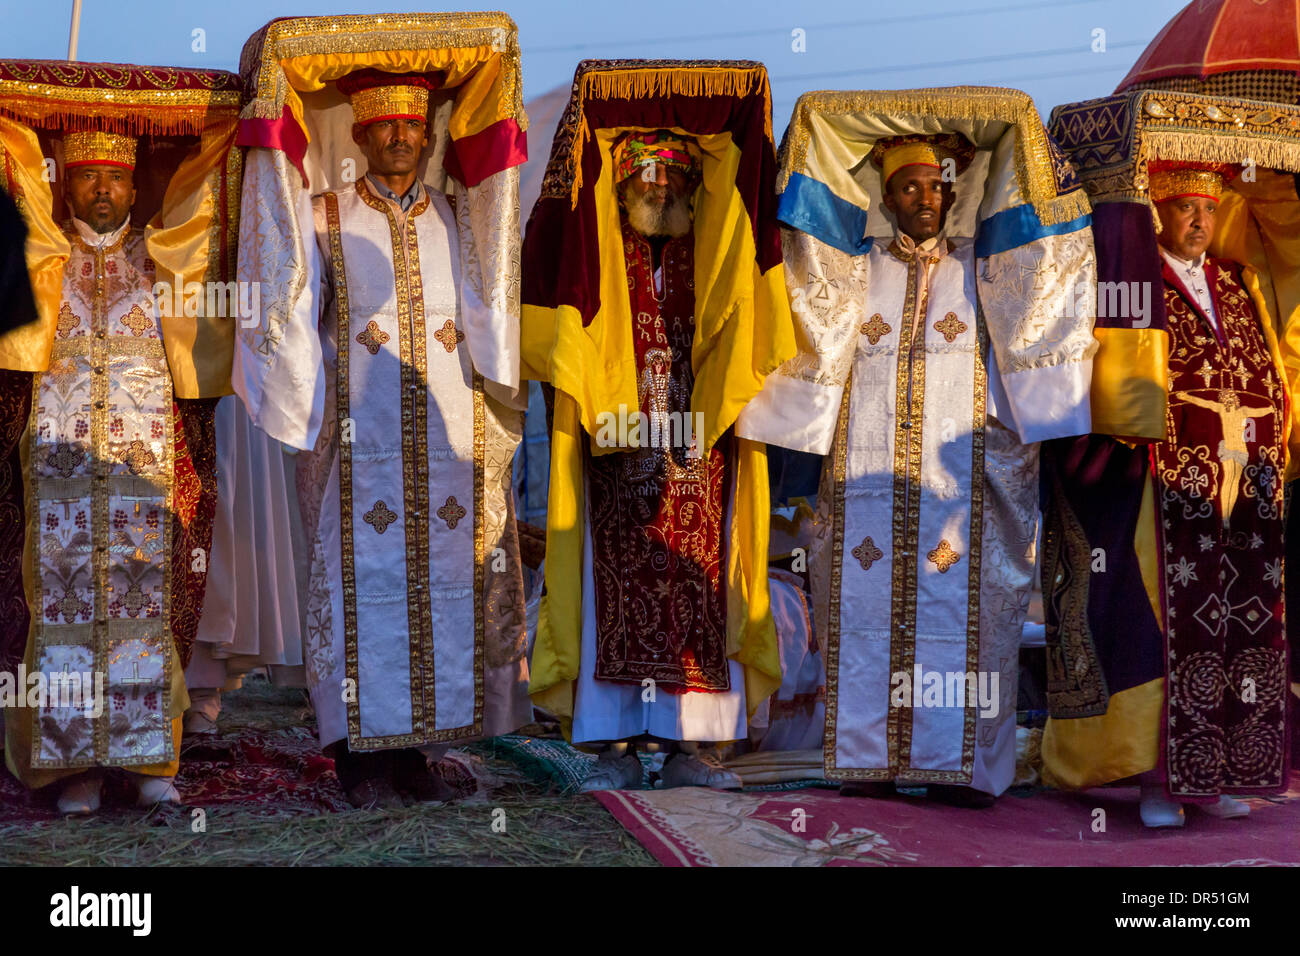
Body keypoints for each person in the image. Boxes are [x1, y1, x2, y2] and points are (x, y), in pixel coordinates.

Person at [739, 94, 1098, 807]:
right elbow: (811, 332)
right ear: (886, 196)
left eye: (937, 186)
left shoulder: (986, 274)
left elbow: (1027, 364)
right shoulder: (857, 273)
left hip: (961, 492)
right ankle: (872, 761)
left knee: (968, 623)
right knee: (863, 618)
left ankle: (960, 765)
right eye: (908, 187)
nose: (925, 199)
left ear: (955, 191)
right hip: (868, 490)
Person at [234, 52, 532, 808]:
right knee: (360, 587)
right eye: (384, 125)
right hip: (354, 445)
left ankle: (416, 752)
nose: (401, 136)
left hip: (447, 444)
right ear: (362, 135)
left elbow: (493, 321)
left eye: (413, 123)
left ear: (431, 132)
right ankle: (358, 758)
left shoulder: (465, 221)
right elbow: (291, 318)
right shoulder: (324, 214)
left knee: (443, 585)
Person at [522, 61, 795, 792]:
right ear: (620, 182)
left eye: (674, 177)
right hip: (611, 448)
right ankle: (610, 746)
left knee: (700, 581)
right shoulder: (598, 253)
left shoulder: (716, 250)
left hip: (700, 453)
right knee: (603, 580)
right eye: (646, 176)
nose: (661, 187)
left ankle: (690, 750)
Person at [1041, 162, 1292, 827]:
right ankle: (1158, 783)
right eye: (1184, 208)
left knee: (1245, 624)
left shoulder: (1239, 287)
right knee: (1170, 628)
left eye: (1208, 211)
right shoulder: (1135, 288)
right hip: (1166, 485)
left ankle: (1225, 771)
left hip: (1245, 487)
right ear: (1160, 214)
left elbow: (1266, 372)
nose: (1199, 222)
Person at [2, 130, 222, 812]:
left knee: (141, 612)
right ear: (63, 184)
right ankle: (76, 769)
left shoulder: (161, 264)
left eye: (116, 179)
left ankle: (149, 758)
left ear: (134, 187)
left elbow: (196, 370)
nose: (103, 190)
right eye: (88, 176)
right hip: (58, 478)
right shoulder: (42, 261)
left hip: (142, 480)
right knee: (62, 612)